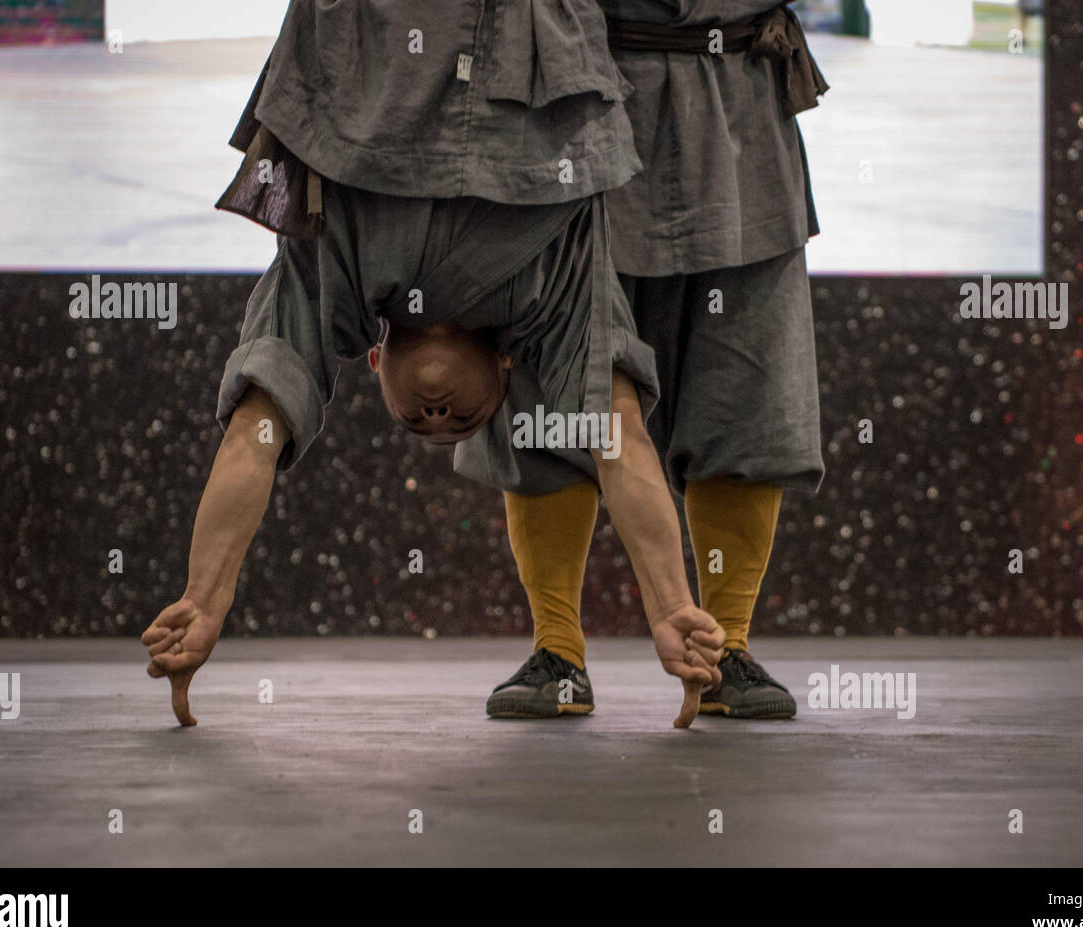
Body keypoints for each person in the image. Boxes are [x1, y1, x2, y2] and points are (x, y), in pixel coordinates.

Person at [138, 0, 725, 729]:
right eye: (461, 423)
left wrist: (203, 596)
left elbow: (254, 433)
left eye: (417, 423)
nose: (440, 418)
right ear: (506, 364)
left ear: (374, 356)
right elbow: (621, 439)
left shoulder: (338, 277)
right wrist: (670, 604)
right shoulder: (550, 290)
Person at [465, 0, 827, 719]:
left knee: (745, 397)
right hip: (576, 104)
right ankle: (557, 649)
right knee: (550, 395)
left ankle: (727, 649)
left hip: (741, 115)